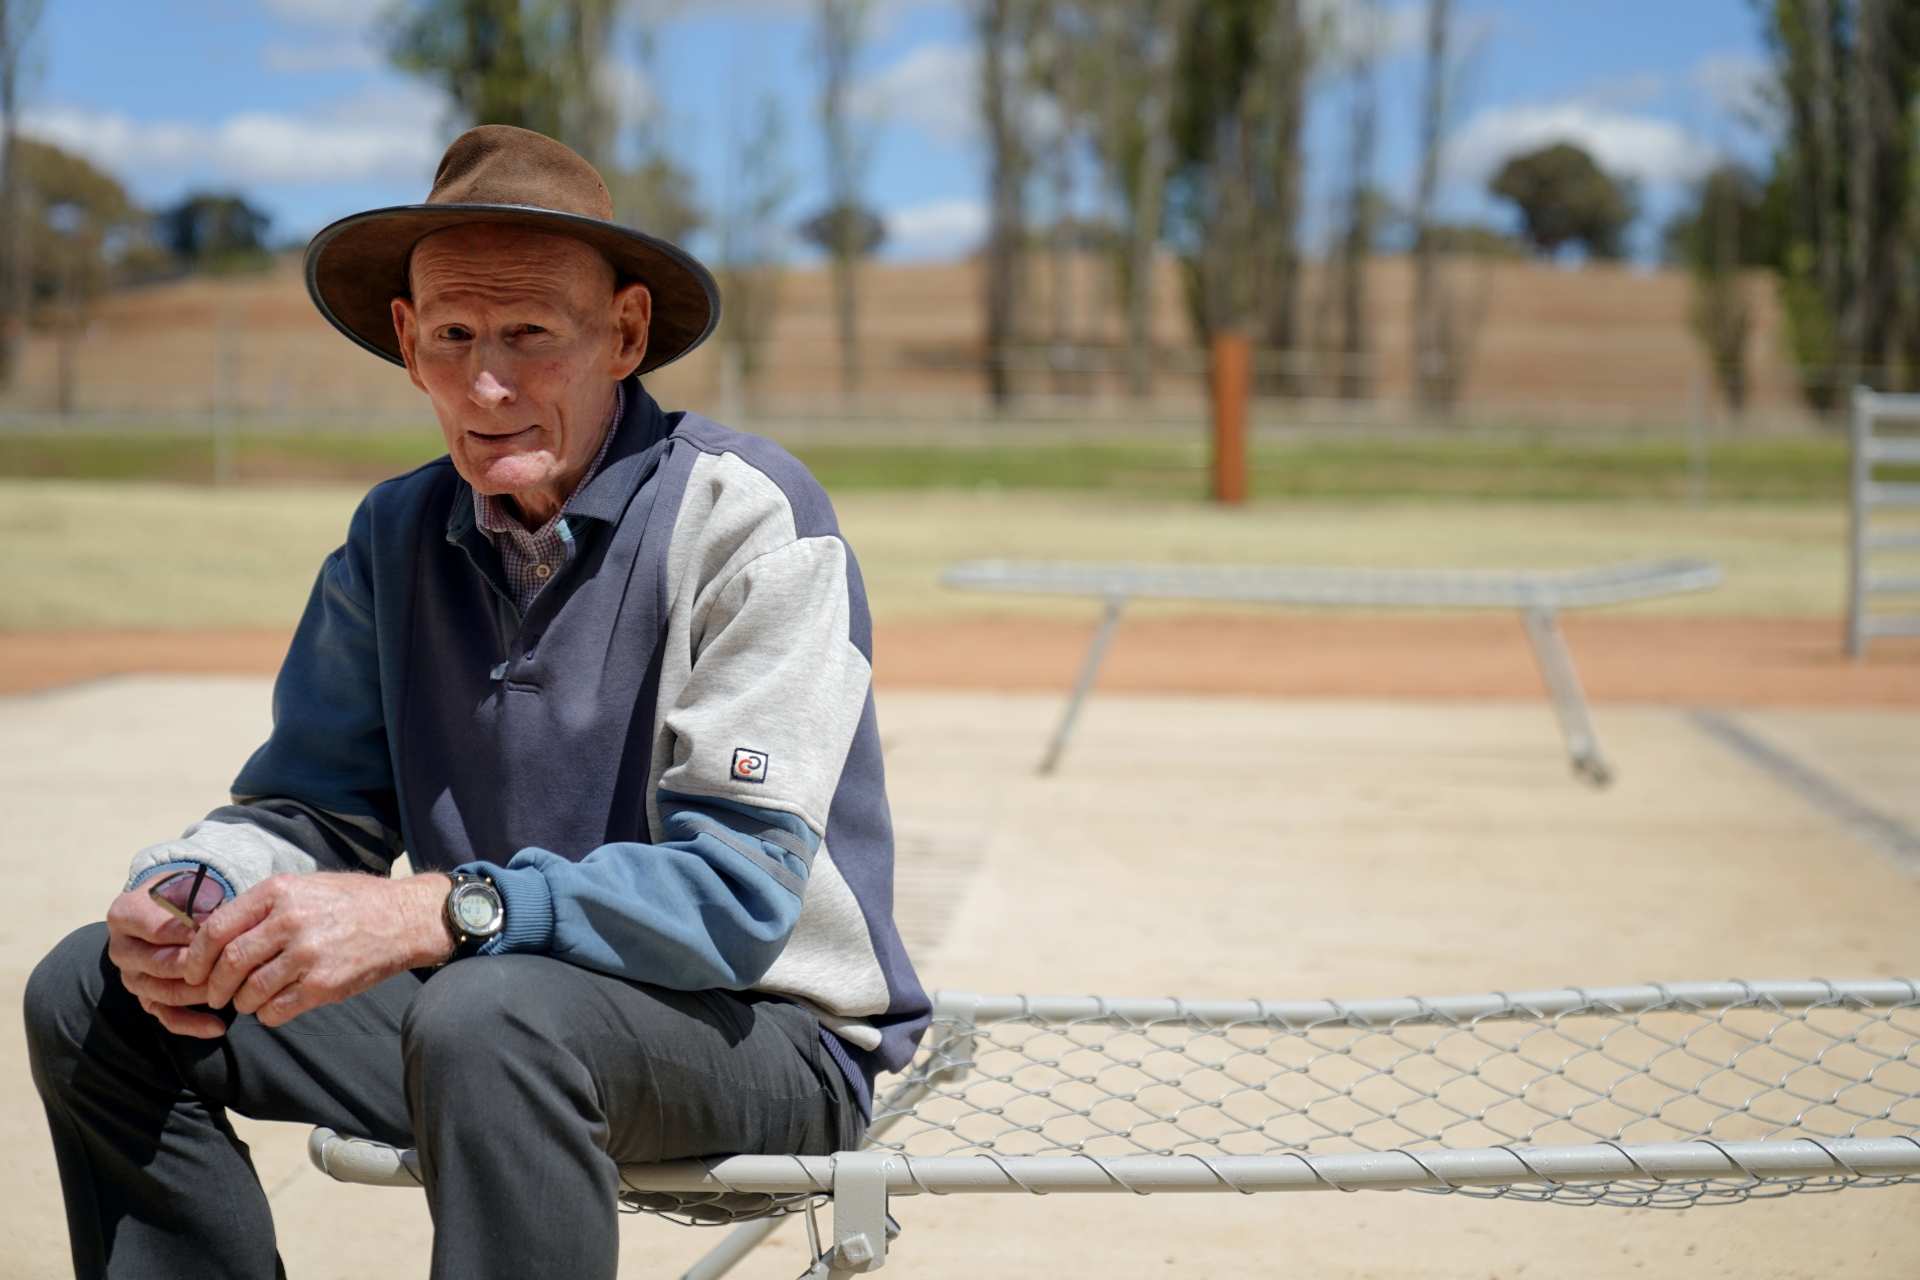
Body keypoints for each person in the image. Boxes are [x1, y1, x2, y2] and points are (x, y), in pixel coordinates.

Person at [23, 124, 930, 1280]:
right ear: (406, 339)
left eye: (531, 335)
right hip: (497, 1002)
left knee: (485, 1016)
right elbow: (313, 808)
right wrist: (194, 888)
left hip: (763, 1032)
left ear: (626, 334)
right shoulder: (391, 535)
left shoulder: (751, 520)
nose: (486, 382)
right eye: (453, 334)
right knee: (91, 995)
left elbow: (740, 894)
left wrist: (439, 912)